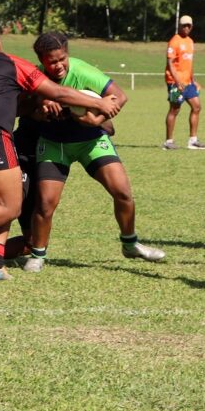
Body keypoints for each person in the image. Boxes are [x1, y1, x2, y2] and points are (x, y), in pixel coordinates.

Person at [0, 23, 119, 281]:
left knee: (2, 203)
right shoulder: (9, 62)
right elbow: (59, 91)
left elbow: (1, 99)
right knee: (9, 206)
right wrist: (99, 102)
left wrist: (35, 109)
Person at [22, 31, 165, 272]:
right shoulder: (35, 76)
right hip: (55, 144)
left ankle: (130, 244)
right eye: (51, 61)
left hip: (90, 140)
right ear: (41, 59)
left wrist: (95, 119)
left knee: (123, 192)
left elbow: (119, 96)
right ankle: (37, 255)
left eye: (62, 59)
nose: (58, 66)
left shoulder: (82, 71)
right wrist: (40, 107)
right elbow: (23, 107)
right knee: (46, 203)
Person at [163, 15, 205, 150]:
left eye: (189, 25)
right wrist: (177, 82)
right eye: (184, 25)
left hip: (188, 82)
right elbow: (170, 63)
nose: (186, 27)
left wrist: (193, 81)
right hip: (175, 82)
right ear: (179, 26)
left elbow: (188, 64)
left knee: (197, 107)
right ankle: (168, 142)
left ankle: (193, 141)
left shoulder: (190, 42)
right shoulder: (174, 41)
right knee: (174, 109)